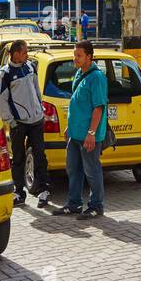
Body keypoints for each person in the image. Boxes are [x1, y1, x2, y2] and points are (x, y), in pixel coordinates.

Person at [53, 40, 107, 220]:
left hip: (88, 136)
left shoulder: (97, 78)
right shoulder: (79, 74)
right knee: (73, 169)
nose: (75, 58)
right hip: (75, 134)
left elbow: (98, 108)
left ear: (89, 57)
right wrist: (70, 126)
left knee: (92, 170)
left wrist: (91, 133)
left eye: (79, 55)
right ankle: (74, 204)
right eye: (74, 55)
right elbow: (78, 103)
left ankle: (96, 206)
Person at [0, 38, 50, 208]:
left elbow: (36, 90)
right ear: (16, 54)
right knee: (18, 158)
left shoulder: (30, 67)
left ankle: (43, 191)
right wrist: (11, 122)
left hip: (36, 121)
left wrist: (40, 110)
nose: (27, 55)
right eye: (25, 52)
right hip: (18, 124)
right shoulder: (5, 74)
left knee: (40, 156)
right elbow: (2, 101)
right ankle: (19, 192)